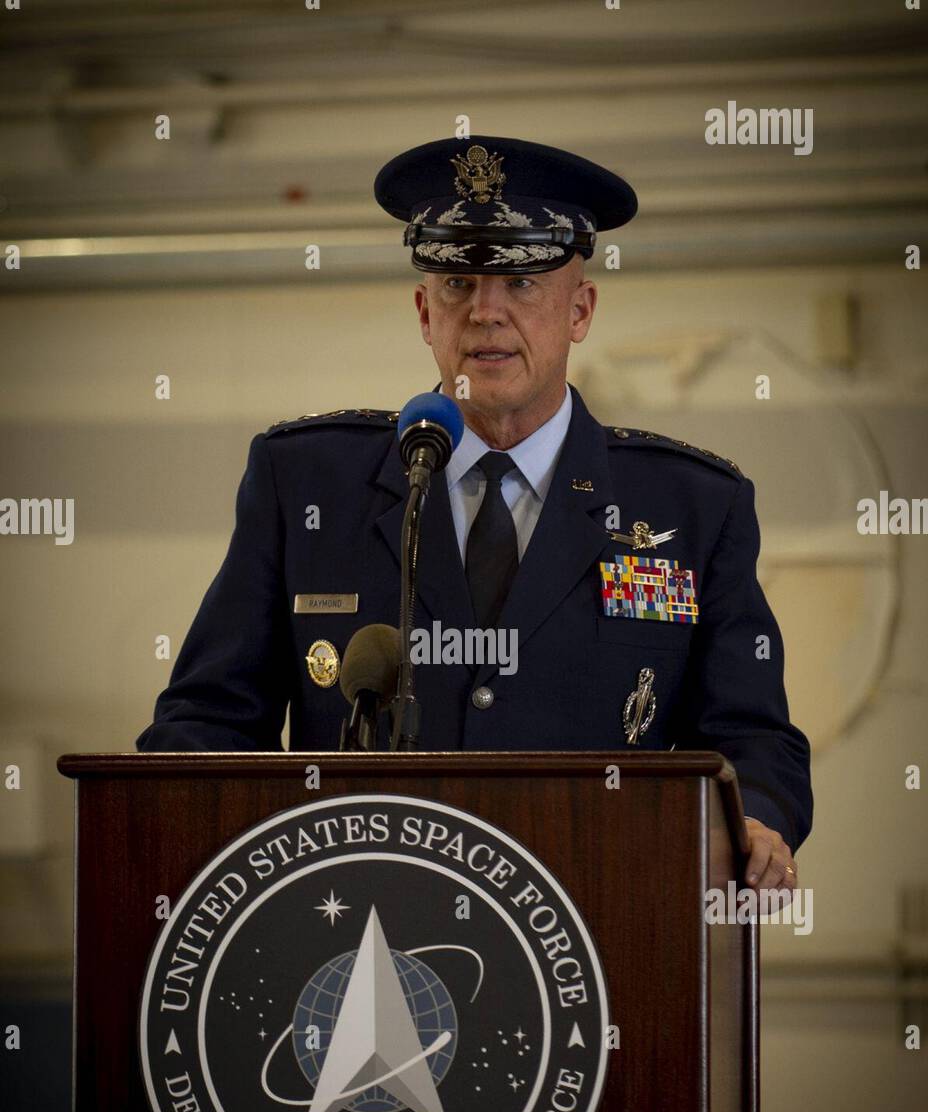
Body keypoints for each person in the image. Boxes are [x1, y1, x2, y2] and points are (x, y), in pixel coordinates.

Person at [136, 135, 812, 890]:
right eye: (457, 284)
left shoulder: (692, 506)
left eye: (521, 285)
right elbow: (209, 717)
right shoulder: (305, 485)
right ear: (425, 312)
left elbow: (752, 736)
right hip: (359, 919)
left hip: (604, 927)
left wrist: (751, 820)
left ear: (580, 309)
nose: (486, 314)